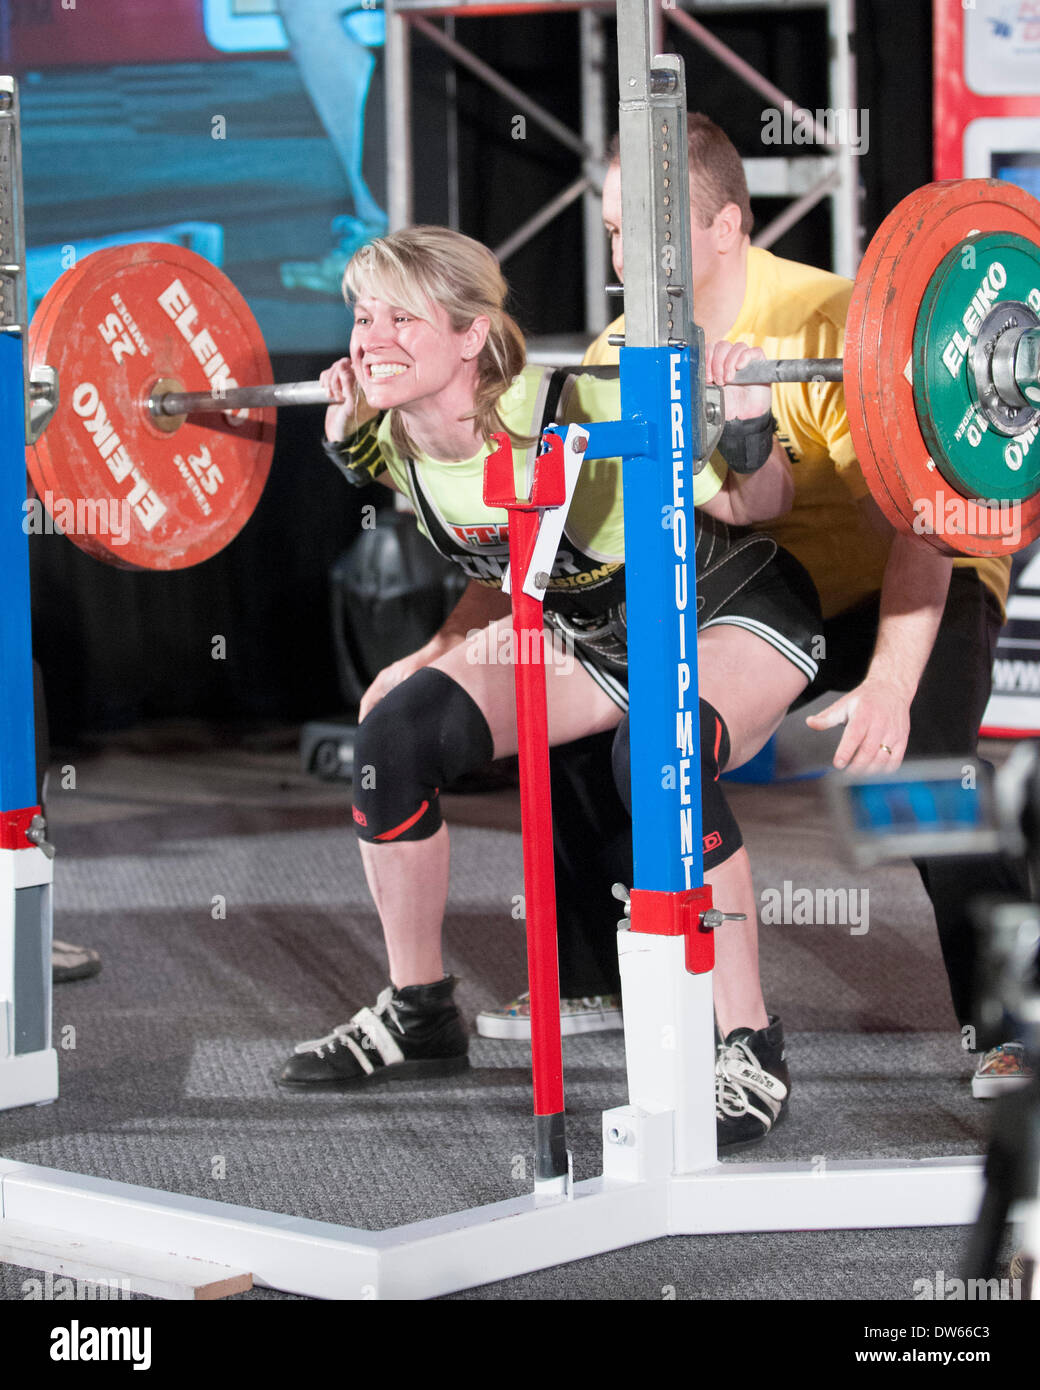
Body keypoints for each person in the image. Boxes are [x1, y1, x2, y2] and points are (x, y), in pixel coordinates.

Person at [479, 113, 1027, 1129]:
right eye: (608, 233)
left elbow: (917, 520)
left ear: (726, 225)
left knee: (925, 763)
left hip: (926, 560)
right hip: (784, 592)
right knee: (582, 703)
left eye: (642, 235)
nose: (618, 260)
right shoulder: (624, 352)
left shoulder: (837, 326)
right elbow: (677, 516)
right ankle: (596, 971)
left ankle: (1007, 1019)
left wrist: (890, 689)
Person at [277, 225, 822, 1134]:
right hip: (595, 634)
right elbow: (458, 529)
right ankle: (419, 1013)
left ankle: (751, 1047)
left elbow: (755, 505)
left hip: (726, 605)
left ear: (471, 337)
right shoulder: (392, 434)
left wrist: (750, 423)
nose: (369, 339)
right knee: (394, 738)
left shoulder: (573, 407)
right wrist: (340, 437)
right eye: (362, 316)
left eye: (401, 319)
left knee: (662, 752)